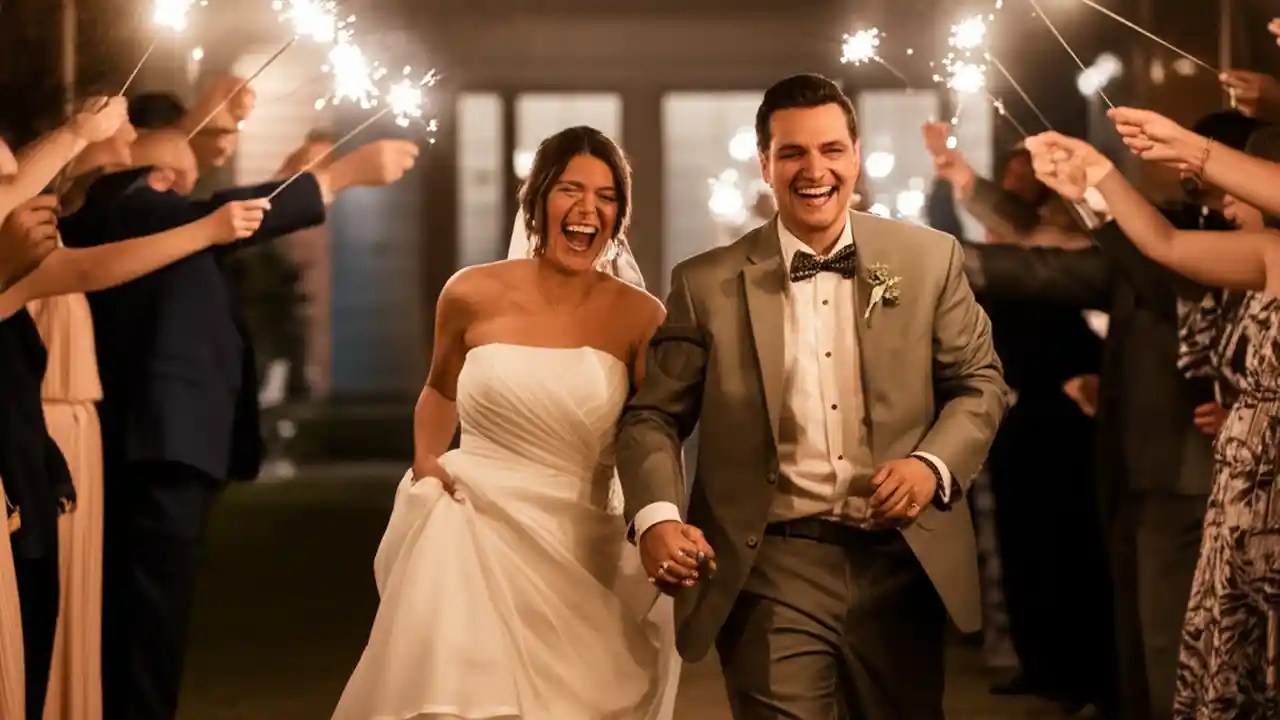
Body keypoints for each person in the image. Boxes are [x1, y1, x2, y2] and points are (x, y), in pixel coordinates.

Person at [617, 73, 1011, 718]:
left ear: (855, 155)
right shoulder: (705, 283)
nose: (814, 170)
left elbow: (981, 383)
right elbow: (653, 417)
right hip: (771, 563)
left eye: (831, 150)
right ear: (765, 164)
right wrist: (657, 516)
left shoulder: (929, 259)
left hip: (900, 560)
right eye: (792, 153)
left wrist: (930, 465)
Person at [333, 125, 679, 720]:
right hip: (470, 523)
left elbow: (652, 434)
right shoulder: (469, 292)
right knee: (455, 693)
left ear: (619, 215)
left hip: (579, 543)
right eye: (570, 189)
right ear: (537, 198)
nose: (587, 209)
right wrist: (426, 463)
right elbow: (440, 388)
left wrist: (655, 518)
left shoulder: (641, 316)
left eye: (605, 196)